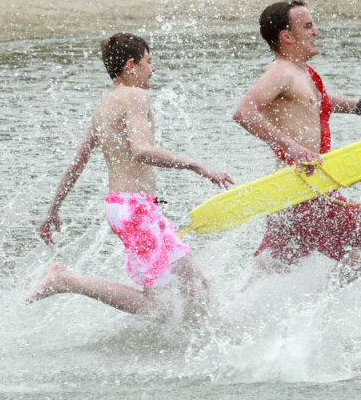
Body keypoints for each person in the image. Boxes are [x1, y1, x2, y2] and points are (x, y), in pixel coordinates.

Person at [28, 33, 233, 324]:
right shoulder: (136, 96)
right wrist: (195, 164)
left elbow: (76, 164)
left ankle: (197, 349)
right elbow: (141, 151)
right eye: (149, 62)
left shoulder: (106, 104)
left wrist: (53, 211)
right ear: (129, 66)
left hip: (133, 207)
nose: (154, 69)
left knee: (196, 287)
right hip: (134, 210)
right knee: (160, 307)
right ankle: (66, 281)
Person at [232, 0, 361, 285]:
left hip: (290, 191)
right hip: (308, 187)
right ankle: (317, 307)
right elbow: (243, 112)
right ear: (286, 36)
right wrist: (292, 147)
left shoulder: (299, 72)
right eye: (307, 26)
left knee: (271, 266)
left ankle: (229, 319)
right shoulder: (280, 72)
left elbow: (317, 102)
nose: (316, 32)